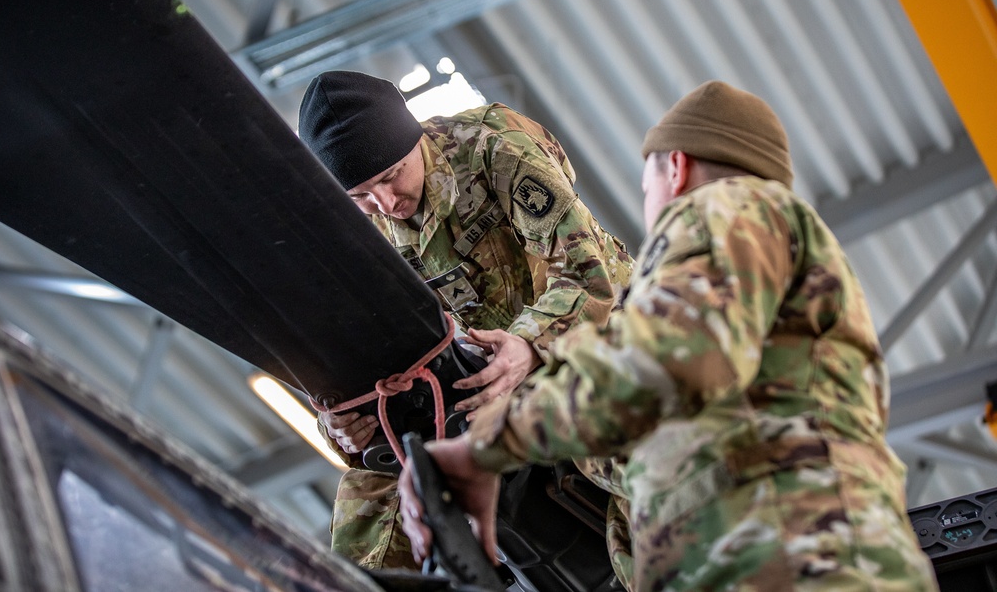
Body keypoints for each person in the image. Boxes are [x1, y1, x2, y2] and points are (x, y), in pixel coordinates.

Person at [398, 81, 940, 591]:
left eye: (646, 187)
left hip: (788, 557)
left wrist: (486, 446)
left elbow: (668, 360)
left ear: (676, 169)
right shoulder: (772, 291)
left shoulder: (727, 208)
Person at [296, 70, 633, 571]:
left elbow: (590, 278)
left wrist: (529, 345)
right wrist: (340, 425)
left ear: (414, 139)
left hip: (597, 342)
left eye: (392, 175)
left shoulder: (494, 147)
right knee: (372, 504)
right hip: (482, 383)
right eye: (360, 195)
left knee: (635, 478)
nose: (385, 203)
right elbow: (357, 356)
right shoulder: (353, 234)